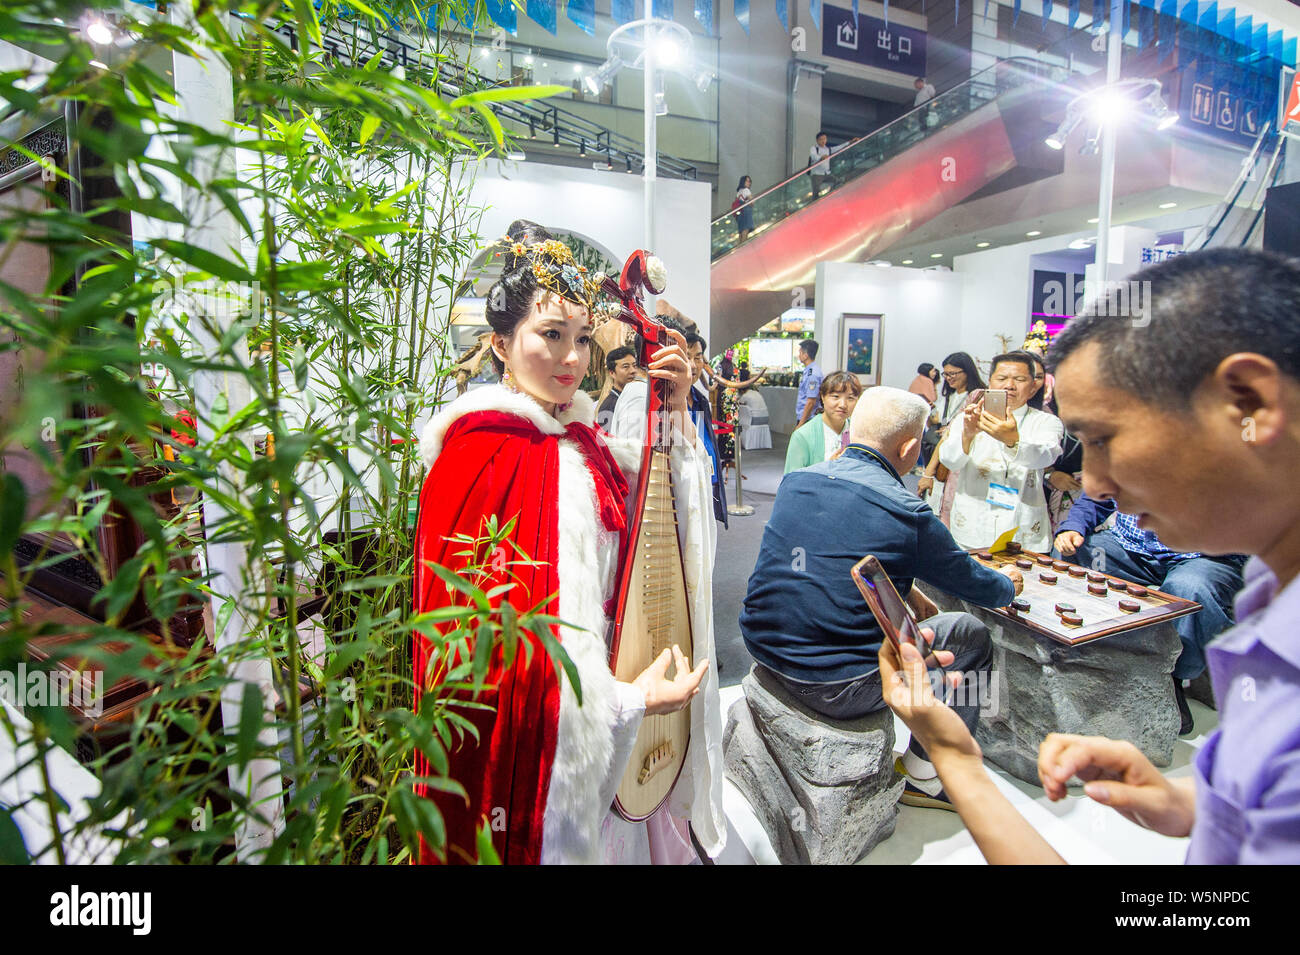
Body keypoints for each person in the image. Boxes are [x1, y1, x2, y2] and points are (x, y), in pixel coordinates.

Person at [881, 247, 1300, 864]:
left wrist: (953, 760)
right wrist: (1195, 805)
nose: (1095, 483)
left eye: (1104, 439)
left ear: (1247, 403)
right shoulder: (1271, 599)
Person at [413, 221, 725, 864]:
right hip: (554, 756)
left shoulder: (579, 443)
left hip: (618, 710)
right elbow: (498, 665)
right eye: (550, 336)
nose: (573, 359)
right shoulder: (481, 459)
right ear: (500, 343)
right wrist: (629, 701)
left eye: (583, 338)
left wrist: (672, 405)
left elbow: (659, 520)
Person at [741, 387, 1024, 810]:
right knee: (969, 633)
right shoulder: (909, 512)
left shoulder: (799, 481)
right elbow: (981, 587)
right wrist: (1010, 583)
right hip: (837, 685)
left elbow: (835, 547)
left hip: (765, 652)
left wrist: (905, 588)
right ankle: (930, 772)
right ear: (909, 448)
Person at [1054, 495, 1246, 734]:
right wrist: (1074, 526)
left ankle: (1171, 679)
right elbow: (1096, 495)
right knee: (1073, 554)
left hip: (1204, 555)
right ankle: (1073, 651)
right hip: (1132, 548)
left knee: (1189, 588)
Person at [937, 352, 1063, 552]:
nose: (1009, 385)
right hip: (973, 524)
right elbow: (950, 461)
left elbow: (1047, 454)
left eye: (1020, 379)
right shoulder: (968, 418)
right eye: (1002, 378)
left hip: (1022, 529)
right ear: (990, 382)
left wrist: (1011, 440)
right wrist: (968, 436)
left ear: (1032, 387)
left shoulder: (1045, 422)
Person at [614, 321, 731, 529]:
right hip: (659, 524)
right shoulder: (641, 396)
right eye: (683, 356)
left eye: (695, 357)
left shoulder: (680, 396)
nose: (691, 365)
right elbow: (639, 474)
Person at [918, 352, 985, 521]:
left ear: (967, 372)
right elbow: (938, 420)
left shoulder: (976, 397)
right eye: (945, 374)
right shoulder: (950, 396)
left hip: (960, 458)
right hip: (941, 455)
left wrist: (927, 474)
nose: (948, 378)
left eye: (953, 374)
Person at [784, 370, 861, 472]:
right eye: (835, 397)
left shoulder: (860, 432)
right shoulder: (802, 436)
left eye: (850, 398)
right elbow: (791, 482)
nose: (843, 405)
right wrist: (828, 468)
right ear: (822, 397)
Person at [597, 345, 639, 430]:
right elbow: (606, 441)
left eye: (634, 366)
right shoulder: (609, 406)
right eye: (626, 367)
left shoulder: (634, 398)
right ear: (612, 373)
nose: (633, 371)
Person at [794, 339, 824, 430]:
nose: (799, 356)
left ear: (806, 355)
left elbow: (811, 401)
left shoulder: (813, 374)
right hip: (806, 418)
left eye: (800, 353)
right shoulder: (809, 371)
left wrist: (800, 424)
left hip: (808, 420)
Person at [808, 131, 832, 199]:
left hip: (826, 173)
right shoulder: (814, 148)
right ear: (817, 140)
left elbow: (838, 148)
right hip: (817, 174)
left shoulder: (828, 149)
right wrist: (821, 158)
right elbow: (814, 156)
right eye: (821, 139)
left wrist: (849, 143)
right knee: (816, 192)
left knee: (837, 182)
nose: (823, 141)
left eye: (824, 139)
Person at [732, 175, 754, 243]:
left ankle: (740, 246)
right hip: (746, 212)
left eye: (749, 181)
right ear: (743, 182)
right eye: (747, 181)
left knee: (741, 231)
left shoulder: (739, 192)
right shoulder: (746, 190)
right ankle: (743, 247)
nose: (749, 183)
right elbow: (752, 202)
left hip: (739, 214)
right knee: (745, 230)